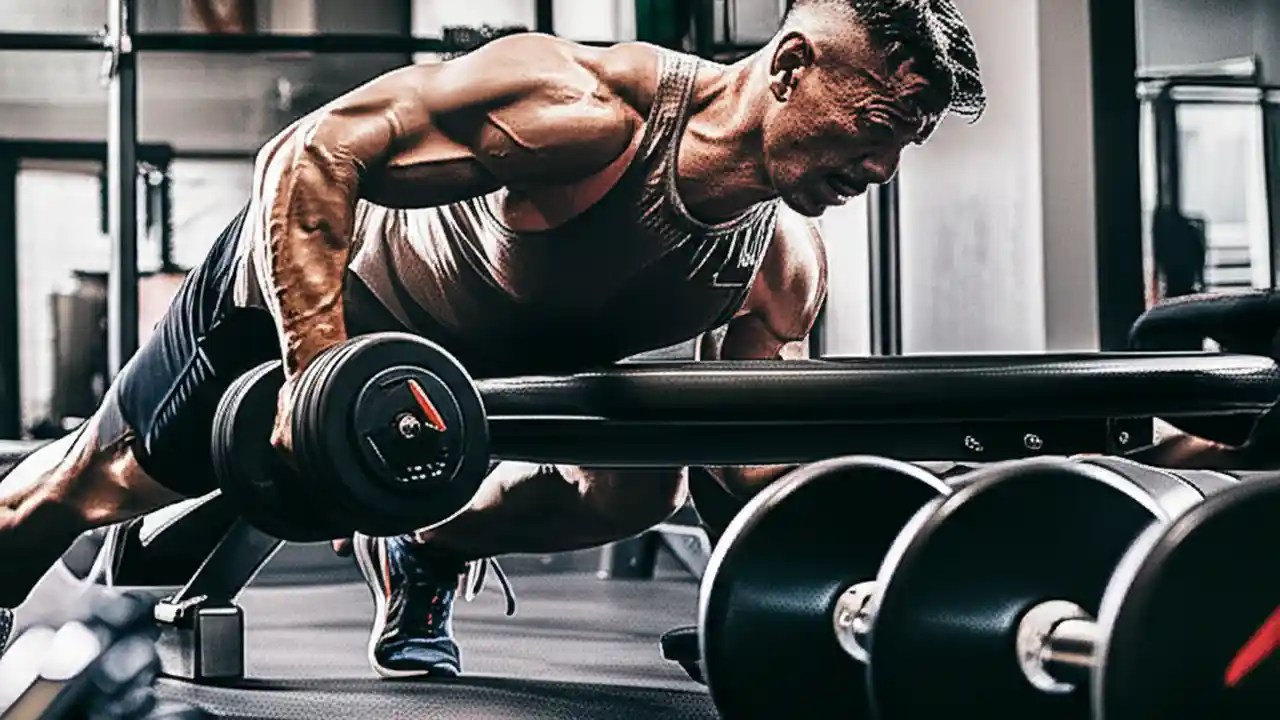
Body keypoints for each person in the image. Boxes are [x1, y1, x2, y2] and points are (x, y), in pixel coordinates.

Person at [0, 0, 993, 676]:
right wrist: (315, 371)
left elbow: (744, 463)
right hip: (306, 299)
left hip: (467, 380)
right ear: (789, 65)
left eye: (902, 143)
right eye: (874, 123)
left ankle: (427, 546)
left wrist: (890, 532)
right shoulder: (587, 110)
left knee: (636, 488)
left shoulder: (782, 263)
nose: (880, 169)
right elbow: (311, 154)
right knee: (94, 489)